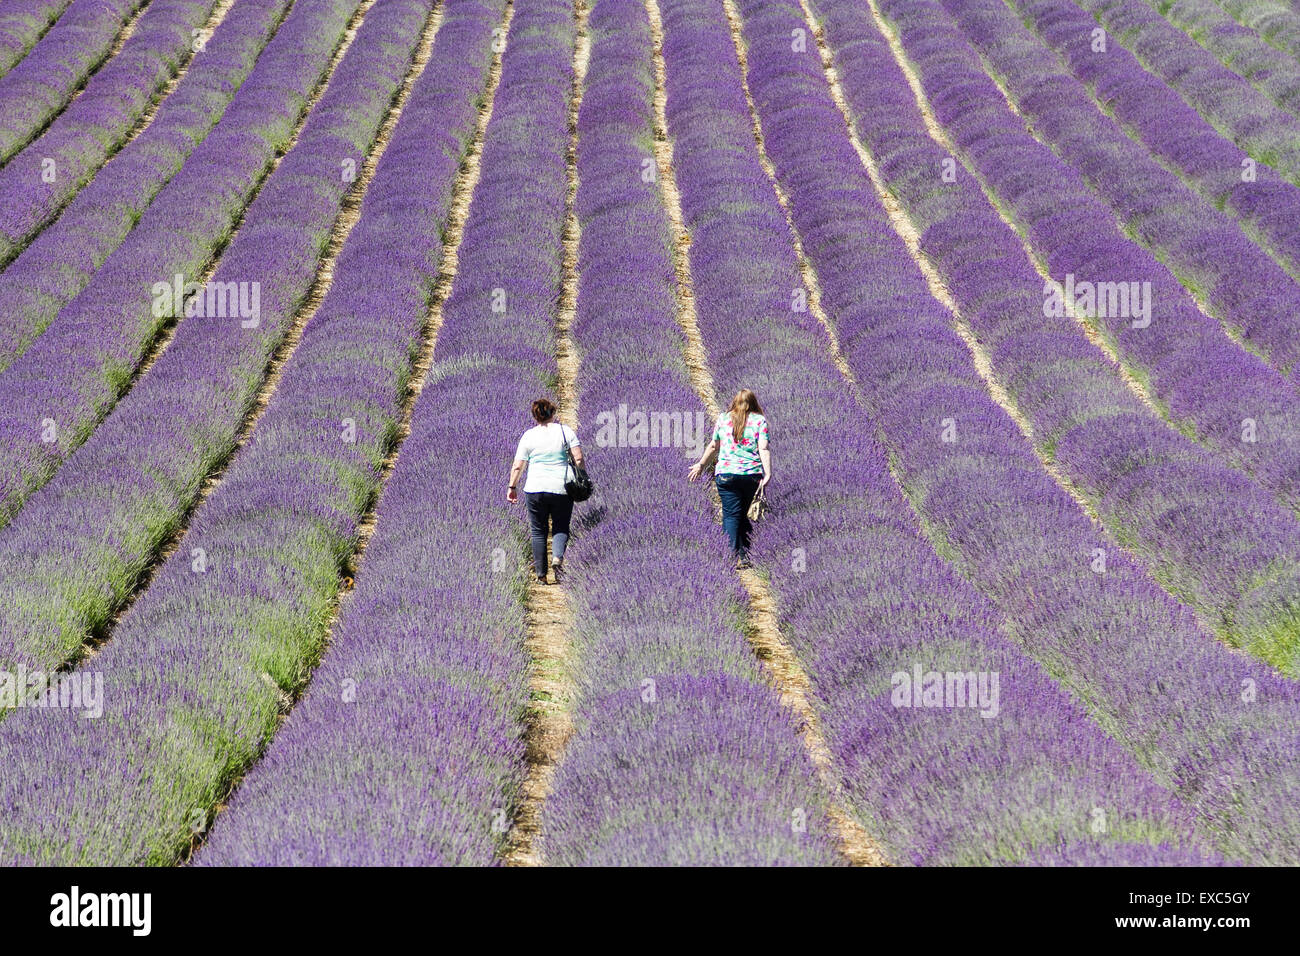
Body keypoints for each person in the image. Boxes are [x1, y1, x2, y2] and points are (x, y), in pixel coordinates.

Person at [687, 389, 770, 567]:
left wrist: (701, 465)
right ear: (753, 403)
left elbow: (713, 445)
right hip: (750, 475)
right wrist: (767, 472)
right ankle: (740, 555)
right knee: (741, 515)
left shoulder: (724, 419)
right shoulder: (759, 420)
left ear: (734, 402)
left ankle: (736, 556)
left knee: (732, 515)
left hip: (726, 475)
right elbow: (763, 448)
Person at [508, 398, 583, 584]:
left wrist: (512, 487)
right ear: (553, 413)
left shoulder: (529, 436)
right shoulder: (566, 432)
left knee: (538, 531)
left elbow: (518, 466)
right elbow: (579, 459)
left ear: (535, 416)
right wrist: (581, 476)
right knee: (560, 526)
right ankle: (557, 557)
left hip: (535, 489)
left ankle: (541, 575)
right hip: (562, 488)